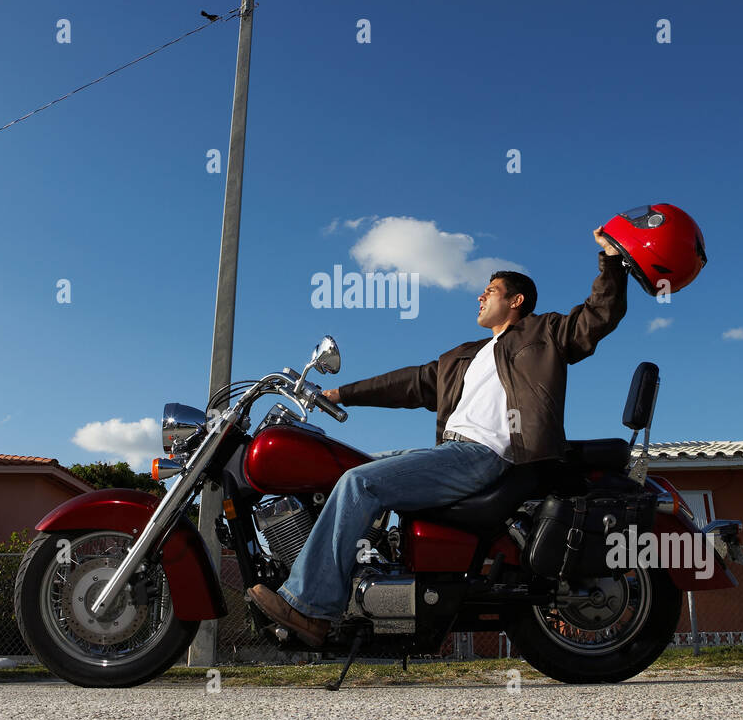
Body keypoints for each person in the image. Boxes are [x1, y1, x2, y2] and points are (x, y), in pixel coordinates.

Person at [247, 227, 628, 647]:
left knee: (360, 482)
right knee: (353, 470)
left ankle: (309, 607)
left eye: (491, 290)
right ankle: (365, 584)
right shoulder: (463, 356)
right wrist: (341, 394)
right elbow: (408, 383)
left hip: (487, 455)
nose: (480, 297)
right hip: (452, 452)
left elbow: (598, 316)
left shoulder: (543, 334)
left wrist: (610, 260)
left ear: (516, 301)